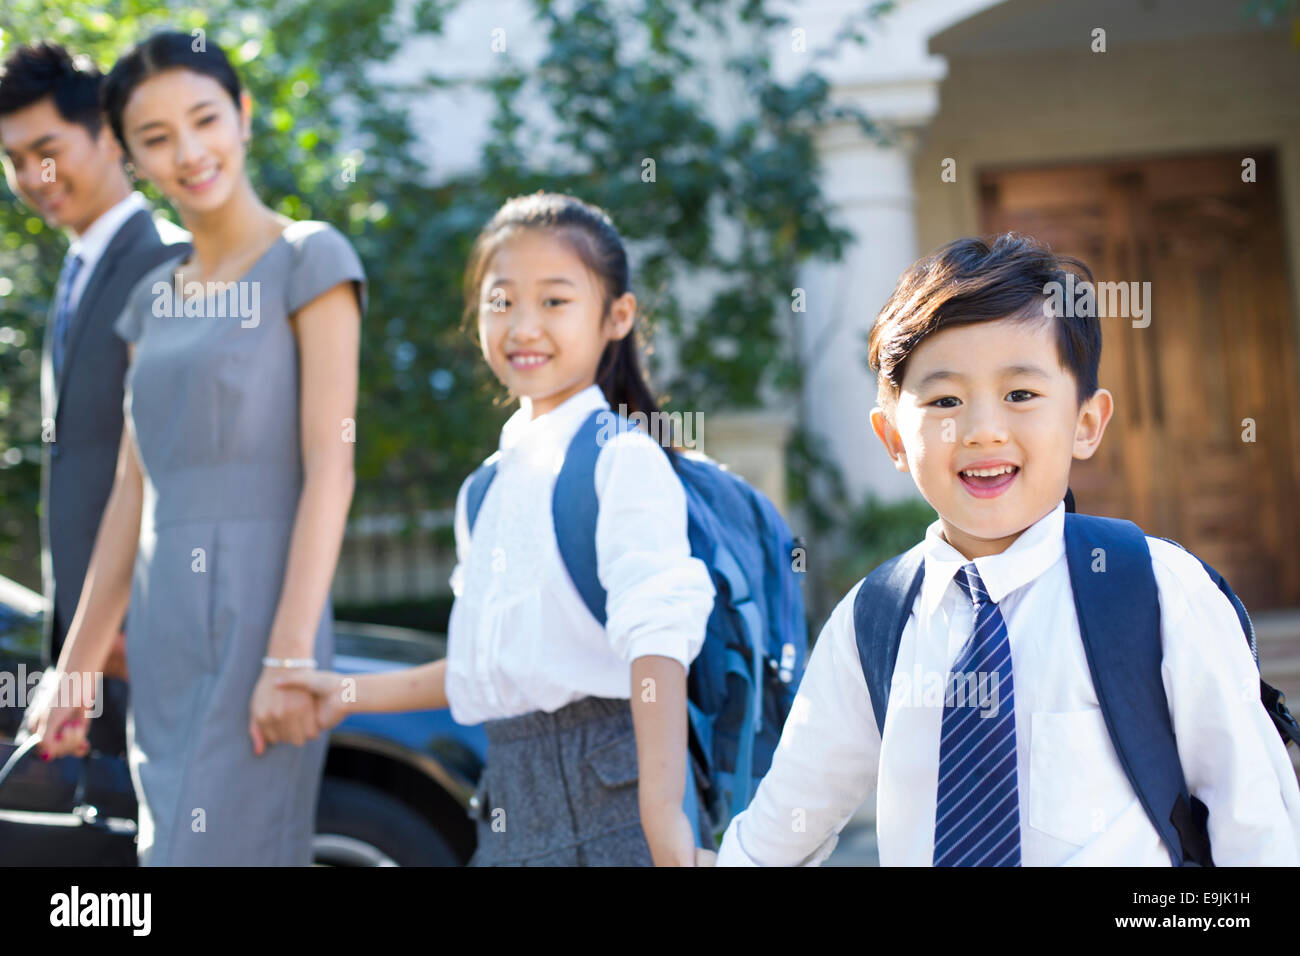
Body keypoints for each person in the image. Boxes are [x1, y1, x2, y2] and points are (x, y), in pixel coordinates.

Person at [715, 234, 1300, 866]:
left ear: (1086, 423)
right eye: (944, 401)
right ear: (892, 437)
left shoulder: (1156, 591)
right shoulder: (874, 622)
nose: (983, 429)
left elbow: (1257, 827)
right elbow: (782, 826)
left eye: (1021, 394)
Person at [277, 192, 717, 866]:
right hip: (507, 811)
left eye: (555, 300)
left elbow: (657, 649)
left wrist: (665, 825)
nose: (523, 325)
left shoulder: (621, 458)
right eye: (501, 300)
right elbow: (490, 668)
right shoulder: (483, 490)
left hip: (615, 813)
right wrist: (343, 693)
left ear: (617, 316)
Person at [21, 30, 366, 866]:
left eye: (204, 119)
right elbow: (131, 497)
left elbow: (333, 466)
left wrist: (289, 655)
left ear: (243, 116)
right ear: (131, 155)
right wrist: (75, 668)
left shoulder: (307, 258)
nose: (189, 152)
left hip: (262, 619)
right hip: (164, 625)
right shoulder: (148, 301)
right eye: (157, 137)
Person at [0, 41, 191, 759]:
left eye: (46, 150)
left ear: (109, 135)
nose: (31, 177)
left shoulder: (168, 264)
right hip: (97, 659)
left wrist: (115, 646)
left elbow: (171, 473)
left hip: (148, 652)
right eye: (13, 160)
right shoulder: (80, 272)